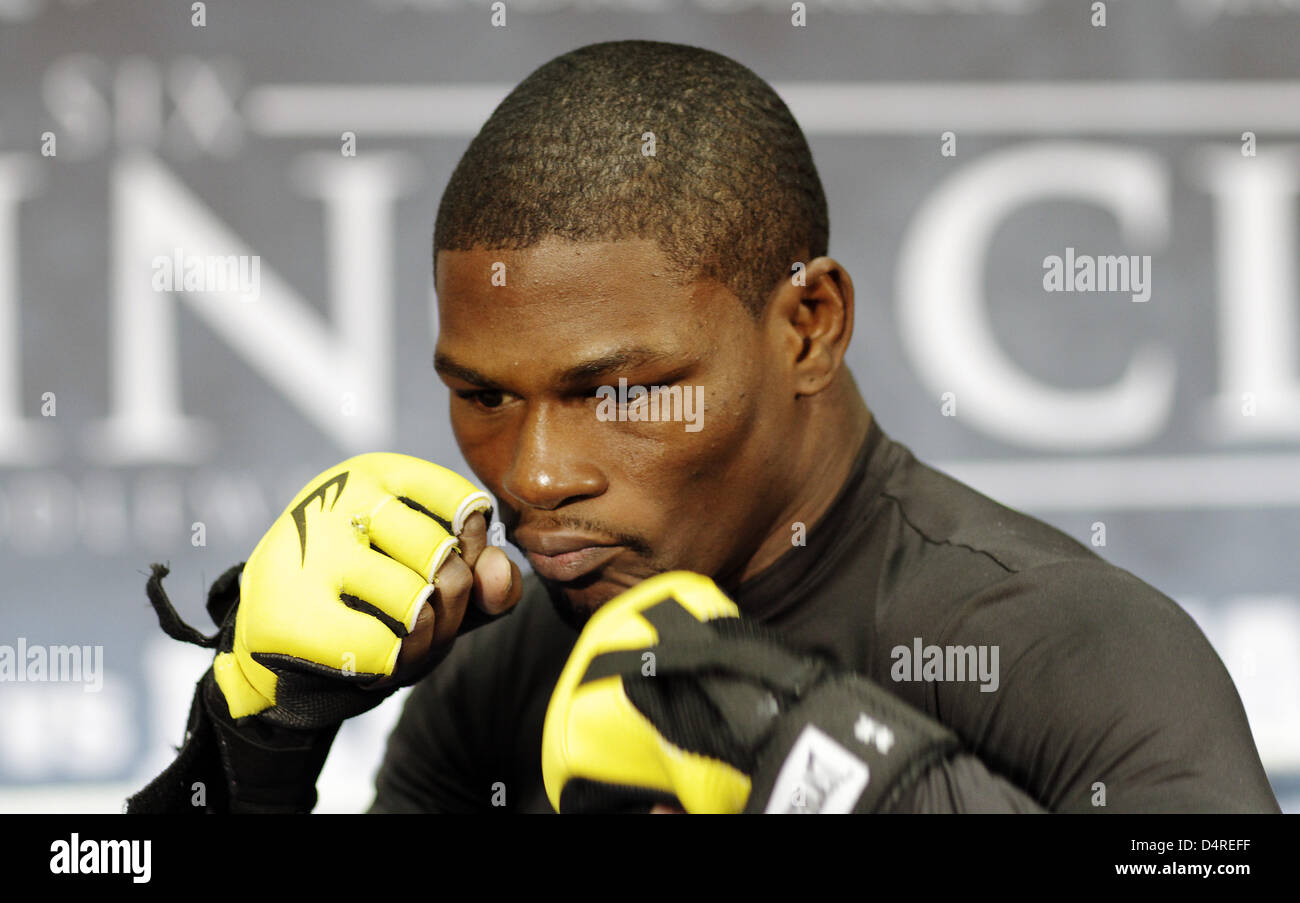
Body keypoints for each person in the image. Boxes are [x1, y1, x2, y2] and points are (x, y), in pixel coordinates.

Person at [126, 39, 1279, 815]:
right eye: (483, 396)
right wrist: (247, 749)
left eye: (616, 393)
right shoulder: (514, 664)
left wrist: (836, 775)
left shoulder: (1075, 650)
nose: (534, 478)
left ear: (807, 326)